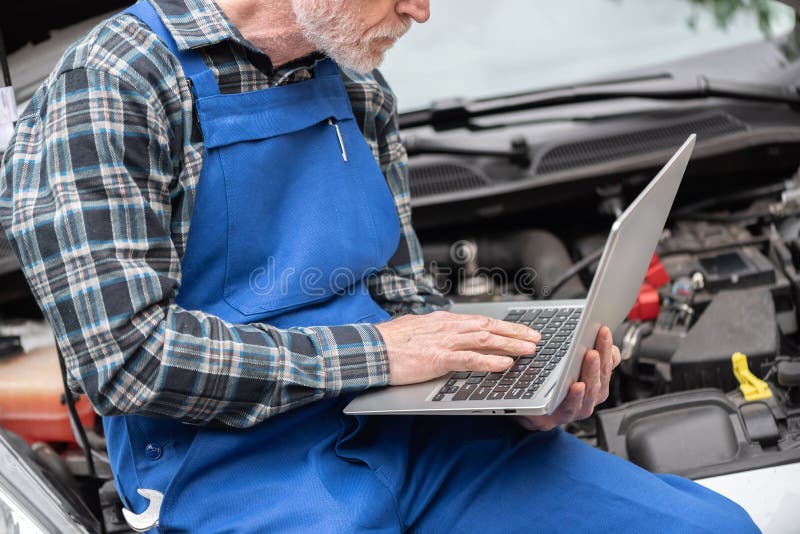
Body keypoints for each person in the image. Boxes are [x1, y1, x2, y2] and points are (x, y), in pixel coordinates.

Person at [0, 0, 759, 532]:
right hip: (237, 478)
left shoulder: (355, 80)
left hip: (417, 438)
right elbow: (129, 361)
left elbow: (399, 297)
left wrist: (513, 392)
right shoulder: (113, 85)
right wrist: (381, 354)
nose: (421, 10)